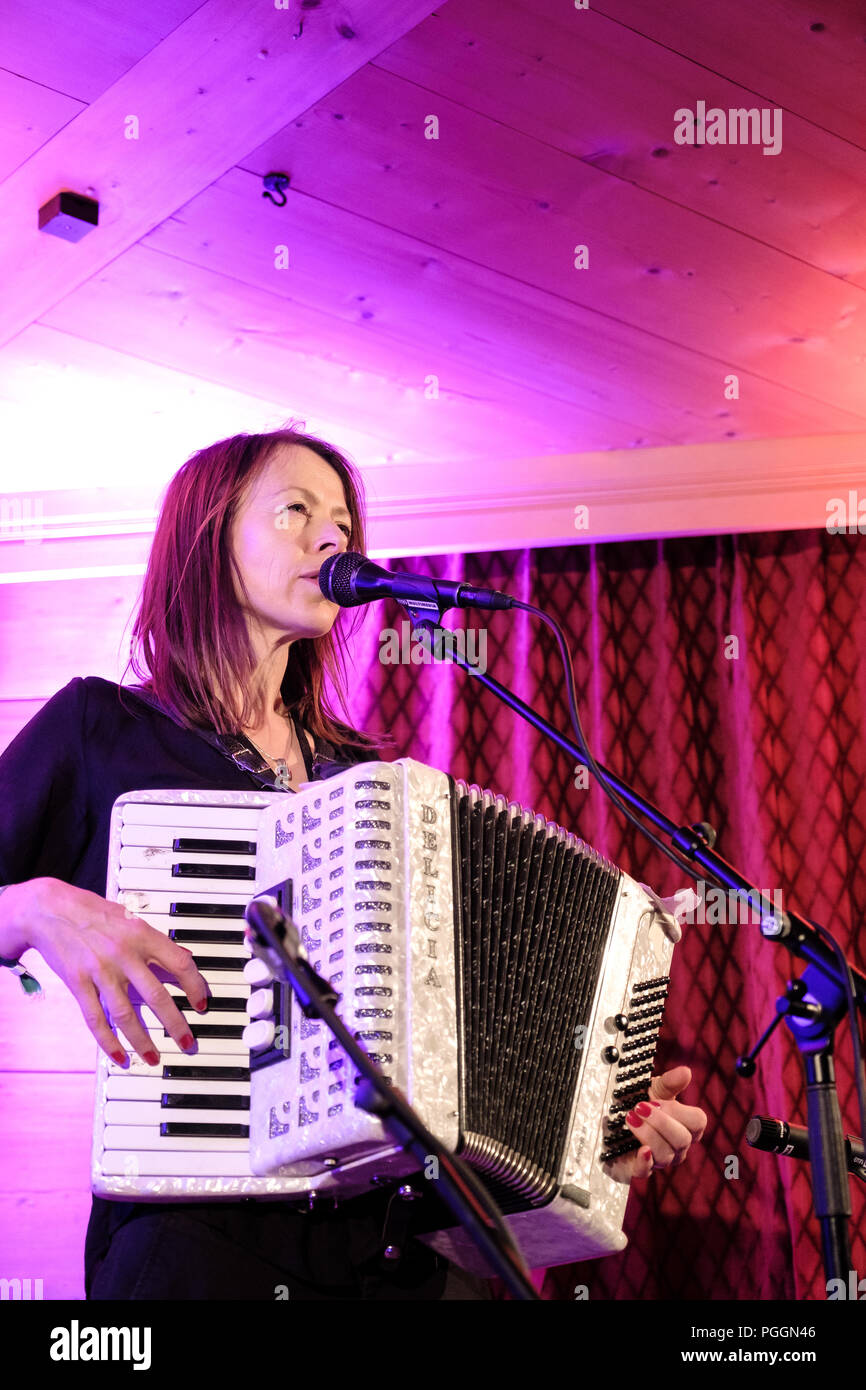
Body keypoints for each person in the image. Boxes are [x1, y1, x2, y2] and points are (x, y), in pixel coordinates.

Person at [0, 426, 707, 1300]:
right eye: (296, 512)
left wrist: (594, 1126)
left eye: (341, 520)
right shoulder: (99, 729)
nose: (335, 539)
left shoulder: (368, 785)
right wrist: (30, 906)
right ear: (205, 539)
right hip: (196, 1247)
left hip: (390, 1254)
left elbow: (450, 1051)